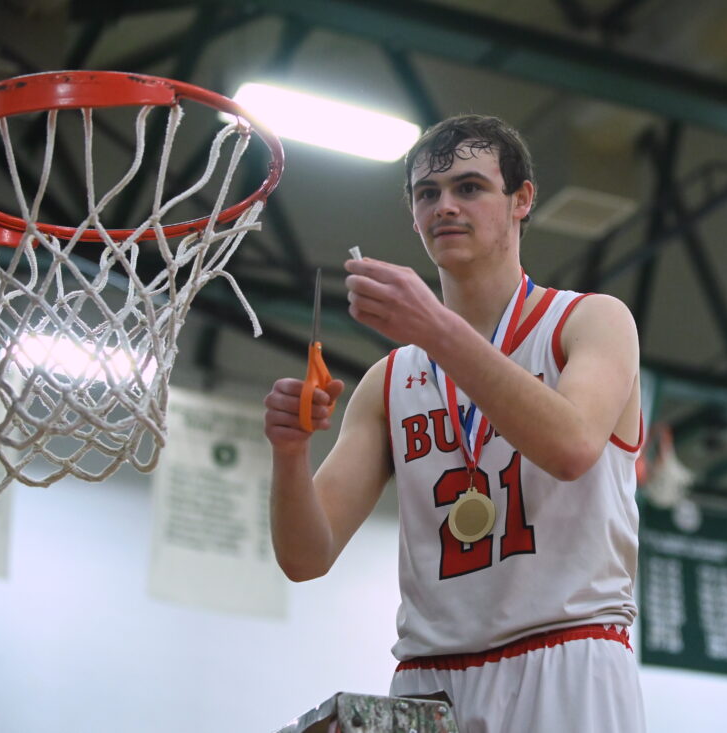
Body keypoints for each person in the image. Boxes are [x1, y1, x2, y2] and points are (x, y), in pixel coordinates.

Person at [263, 114, 645, 732]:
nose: (445, 206)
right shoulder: (389, 380)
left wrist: (435, 330)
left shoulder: (591, 321)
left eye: (469, 188)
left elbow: (572, 446)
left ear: (521, 200)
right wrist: (288, 453)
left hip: (567, 650)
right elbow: (306, 557)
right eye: (427, 193)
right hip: (429, 676)